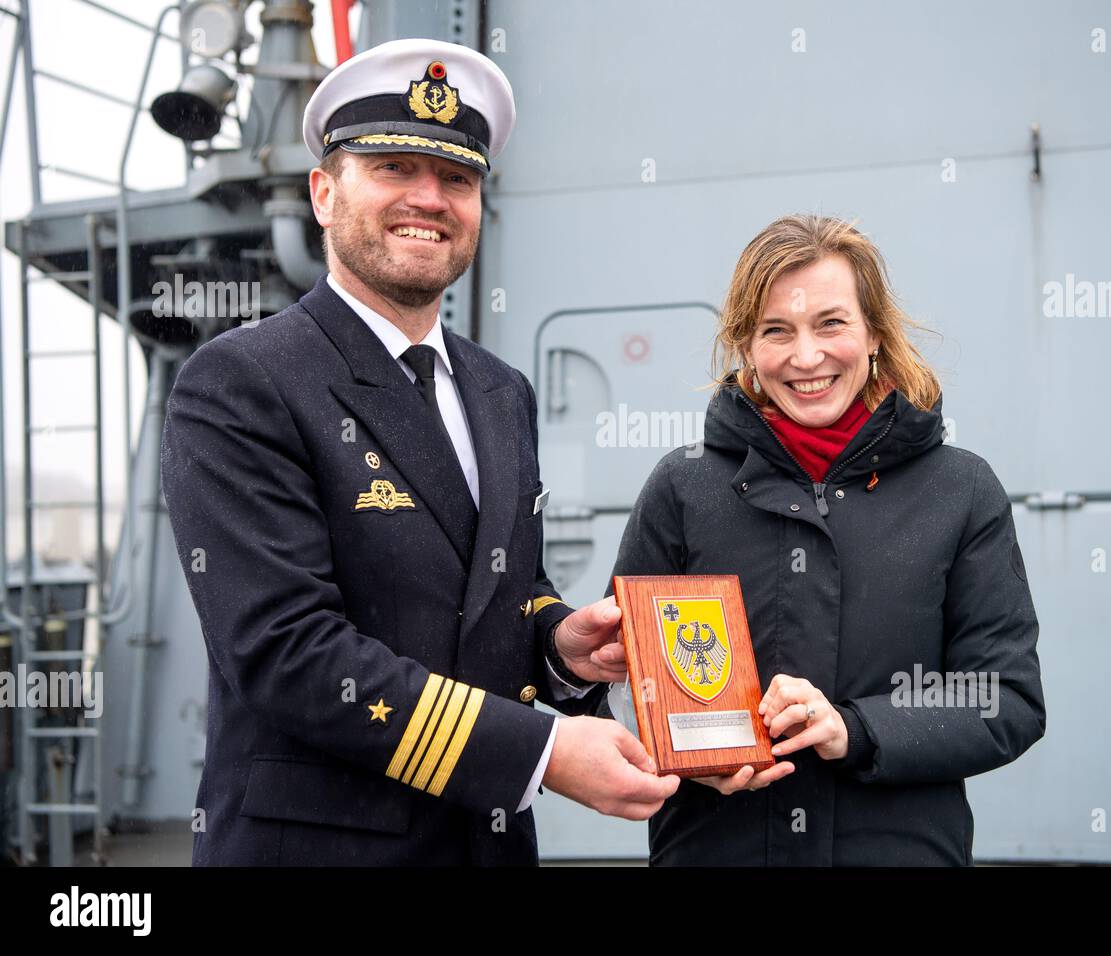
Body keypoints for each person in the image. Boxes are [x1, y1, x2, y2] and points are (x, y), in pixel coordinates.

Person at [160, 38, 677, 867]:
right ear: (325, 194)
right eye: (396, 169)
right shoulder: (240, 383)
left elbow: (501, 587)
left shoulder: (501, 391)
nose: (430, 199)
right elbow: (286, 652)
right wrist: (542, 752)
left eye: (457, 178)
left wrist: (559, 643)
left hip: (485, 847)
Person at [609, 214, 1046, 865]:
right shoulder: (685, 486)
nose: (806, 356)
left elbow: (1005, 699)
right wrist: (681, 753)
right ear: (746, 347)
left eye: (831, 324)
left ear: (873, 333)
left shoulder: (961, 489)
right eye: (776, 331)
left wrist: (857, 729)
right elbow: (622, 681)